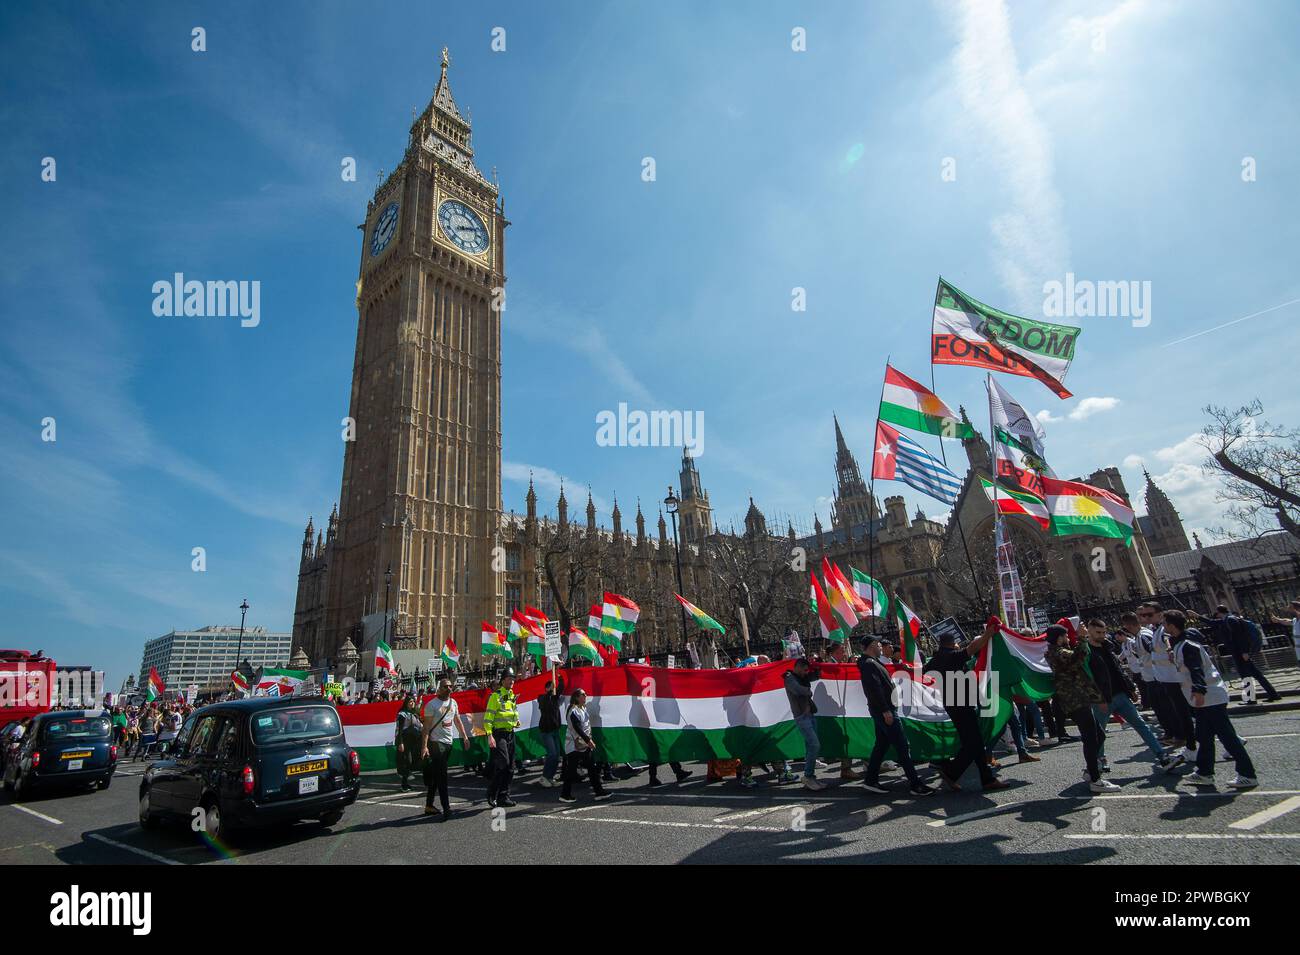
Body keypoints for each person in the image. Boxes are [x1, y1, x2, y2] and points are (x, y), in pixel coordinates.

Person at [1164, 610, 1259, 789]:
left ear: (1171, 625)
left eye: (1165, 623)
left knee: (1228, 737)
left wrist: (1198, 691)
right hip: (1206, 698)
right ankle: (1204, 772)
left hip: (1209, 696)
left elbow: (1196, 670)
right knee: (1204, 736)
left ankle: (1247, 774)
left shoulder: (1187, 645)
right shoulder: (1181, 645)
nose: (1163, 626)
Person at [1083, 619, 1182, 773]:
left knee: (1141, 725)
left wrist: (1130, 688)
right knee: (1099, 733)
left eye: (1103, 632)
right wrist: (1097, 698)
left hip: (1121, 695)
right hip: (1102, 699)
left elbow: (1118, 669)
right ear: (1089, 631)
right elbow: (1087, 678)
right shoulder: (1085, 651)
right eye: (1098, 633)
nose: (1102, 635)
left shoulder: (1107, 646)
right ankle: (1100, 759)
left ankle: (1162, 756)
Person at [923, 618, 1009, 793]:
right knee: (973, 743)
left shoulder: (936, 659)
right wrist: (987, 634)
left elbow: (924, 673)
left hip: (953, 704)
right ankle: (950, 771)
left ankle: (987, 779)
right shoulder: (951, 657)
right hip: (960, 704)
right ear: (952, 643)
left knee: (975, 743)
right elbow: (971, 649)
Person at [858, 635, 933, 797]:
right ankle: (915, 784)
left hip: (883, 709)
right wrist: (885, 710)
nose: (880, 647)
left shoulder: (871, 663)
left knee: (881, 745)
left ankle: (870, 780)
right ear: (872, 646)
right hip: (884, 711)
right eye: (878, 644)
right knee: (902, 745)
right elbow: (874, 689)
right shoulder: (869, 664)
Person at [1044, 624, 1116, 792]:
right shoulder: (1058, 652)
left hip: (1078, 697)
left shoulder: (1056, 651)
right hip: (1075, 700)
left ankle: (1091, 771)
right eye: (1066, 636)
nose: (1068, 638)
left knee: (1099, 735)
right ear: (1059, 638)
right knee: (1091, 737)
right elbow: (1078, 658)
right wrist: (1083, 638)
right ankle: (1095, 779)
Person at [1144, 603, 1197, 765]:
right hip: (1167, 678)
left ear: (1161, 615)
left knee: (1187, 714)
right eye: (1144, 615)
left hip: (1175, 679)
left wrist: (1169, 649)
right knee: (1190, 714)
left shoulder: (1166, 633)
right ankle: (1191, 746)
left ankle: (1191, 747)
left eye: (1149, 614)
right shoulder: (1157, 630)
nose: (1146, 618)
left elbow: (1168, 641)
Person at [420, 678, 470, 818]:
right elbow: (426, 728)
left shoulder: (453, 703)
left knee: (437, 776)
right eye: (445, 686)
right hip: (437, 744)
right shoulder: (432, 705)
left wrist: (464, 736)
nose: (448, 688)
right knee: (442, 777)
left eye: (450, 686)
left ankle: (429, 805)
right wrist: (424, 746)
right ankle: (446, 808)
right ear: (439, 688)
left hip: (448, 743)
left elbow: (457, 720)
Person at [1213, 606, 1280, 702]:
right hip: (1239, 653)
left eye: (1217, 613)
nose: (1217, 616)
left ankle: (1254, 698)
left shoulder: (1231, 620)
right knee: (1253, 674)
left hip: (1240, 653)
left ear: (1219, 612)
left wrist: (1245, 651)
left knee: (1248, 675)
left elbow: (1240, 637)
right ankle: (1270, 694)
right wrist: (1197, 616)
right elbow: (1212, 623)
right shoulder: (1227, 619)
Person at [559, 689, 610, 803]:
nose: (585, 696)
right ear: (577, 697)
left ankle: (599, 792)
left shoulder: (583, 708)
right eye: (583, 694)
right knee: (571, 771)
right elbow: (577, 728)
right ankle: (565, 794)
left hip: (582, 745)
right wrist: (588, 741)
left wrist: (587, 740)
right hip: (574, 746)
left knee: (592, 768)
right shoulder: (573, 710)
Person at [783, 656, 824, 791]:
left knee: (810, 746)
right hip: (802, 717)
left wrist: (818, 664)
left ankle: (810, 776)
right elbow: (797, 690)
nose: (807, 672)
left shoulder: (802, 677)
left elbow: (816, 676)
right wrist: (809, 691)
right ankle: (808, 776)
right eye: (805, 670)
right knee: (814, 744)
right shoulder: (789, 677)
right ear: (798, 667)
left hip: (810, 714)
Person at [824, 641, 862, 781]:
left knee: (850, 735)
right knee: (846, 737)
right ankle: (846, 768)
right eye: (842, 651)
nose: (844, 654)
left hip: (843, 707)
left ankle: (865, 763)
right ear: (834, 652)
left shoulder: (838, 664)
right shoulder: (829, 666)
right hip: (834, 709)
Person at [484, 667, 521, 808]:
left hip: (511, 733)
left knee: (511, 767)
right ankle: (492, 793)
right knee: (503, 764)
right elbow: (488, 718)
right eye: (509, 678)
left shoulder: (512, 695)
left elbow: (512, 712)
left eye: (513, 679)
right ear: (503, 680)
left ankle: (504, 797)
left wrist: (515, 721)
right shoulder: (496, 696)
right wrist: (489, 736)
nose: (512, 681)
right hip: (499, 735)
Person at [394, 695, 425, 791]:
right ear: (406, 703)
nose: (412, 703)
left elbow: (420, 726)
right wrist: (400, 743)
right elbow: (399, 730)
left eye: (413, 702)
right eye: (410, 702)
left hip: (414, 741)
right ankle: (404, 784)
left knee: (414, 762)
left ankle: (406, 783)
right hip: (405, 741)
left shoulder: (415, 714)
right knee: (407, 762)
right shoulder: (402, 714)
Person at [536, 679, 562, 787]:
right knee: (552, 754)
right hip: (546, 731)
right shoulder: (542, 698)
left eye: (554, 687)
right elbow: (545, 702)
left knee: (557, 756)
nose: (553, 688)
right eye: (551, 687)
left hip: (555, 730)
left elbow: (561, 688)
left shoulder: (555, 699)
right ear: (546, 689)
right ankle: (544, 777)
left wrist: (559, 675)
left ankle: (550, 777)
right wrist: (550, 692)